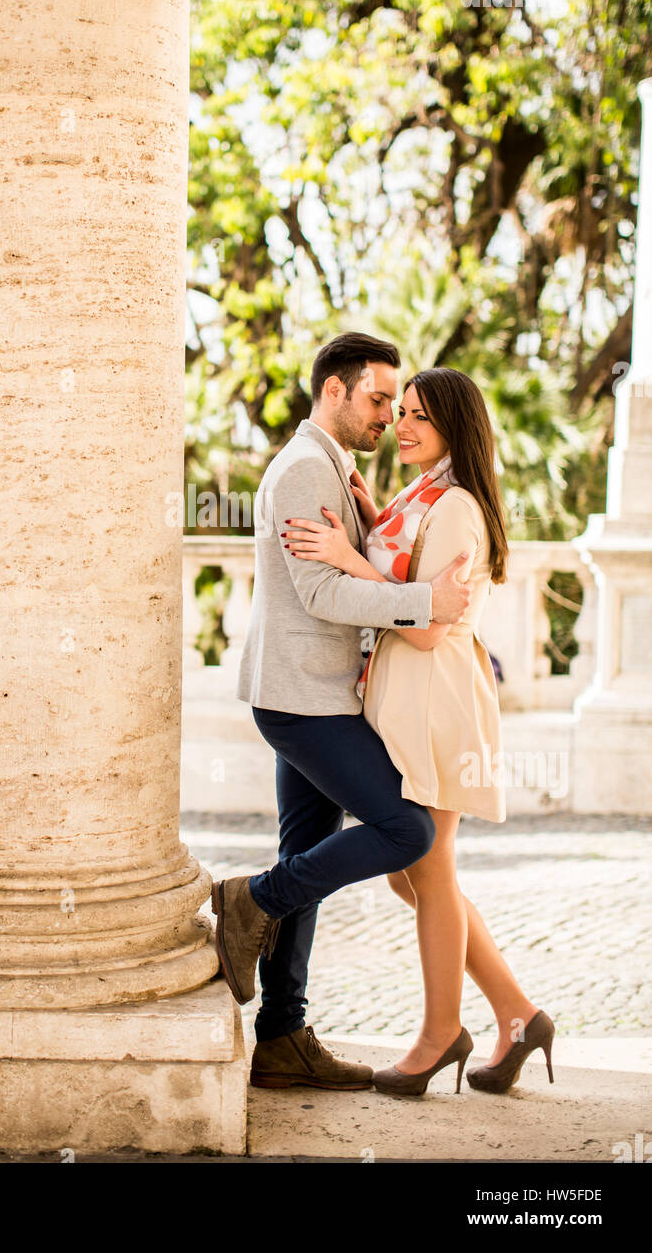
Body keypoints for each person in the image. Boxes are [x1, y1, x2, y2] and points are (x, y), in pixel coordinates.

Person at [210, 332, 474, 1091]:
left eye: (397, 403)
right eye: (380, 399)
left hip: (317, 694)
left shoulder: (330, 467)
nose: (390, 416)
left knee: (309, 855)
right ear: (334, 390)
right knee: (407, 830)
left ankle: (281, 1035)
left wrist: (367, 515)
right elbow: (323, 593)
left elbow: (350, 566)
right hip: (304, 701)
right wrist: (426, 602)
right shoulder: (303, 470)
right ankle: (251, 900)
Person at [284, 366, 554, 1096]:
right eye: (399, 411)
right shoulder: (425, 493)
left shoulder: (457, 506)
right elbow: (409, 573)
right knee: (412, 874)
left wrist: (348, 557)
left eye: (419, 417)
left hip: (437, 702)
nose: (400, 426)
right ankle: (519, 1014)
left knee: (427, 872)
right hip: (411, 700)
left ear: (453, 427)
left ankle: (441, 1035)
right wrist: (373, 522)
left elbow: (430, 627)